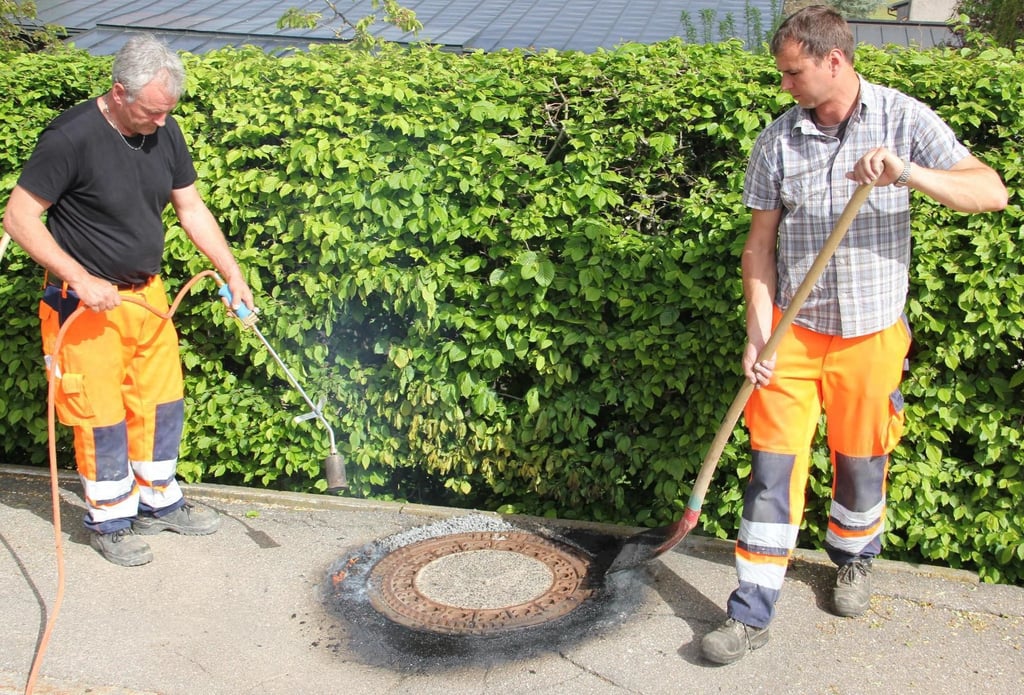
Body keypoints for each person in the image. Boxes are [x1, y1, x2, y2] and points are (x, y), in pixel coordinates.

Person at [700, 5, 1008, 664]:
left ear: (833, 61)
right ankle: (751, 609)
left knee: (863, 462)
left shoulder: (903, 118)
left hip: (872, 334)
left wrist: (907, 173)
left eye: (793, 72)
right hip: (795, 334)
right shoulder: (776, 141)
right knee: (771, 471)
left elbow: (991, 191)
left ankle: (852, 559)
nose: (784, 85)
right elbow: (759, 248)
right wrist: (759, 333)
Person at [2, 34, 255, 567]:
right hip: (84, 306)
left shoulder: (165, 131)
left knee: (160, 403)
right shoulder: (69, 138)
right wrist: (79, 276)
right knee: (101, 416)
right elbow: (19, 218)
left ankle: (159, 501)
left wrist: (232, 273)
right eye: (152, 111)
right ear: (119, 92)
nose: (161, 123)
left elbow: (191, 209)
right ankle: (111, 517)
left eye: (168, 112)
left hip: (147, 299)